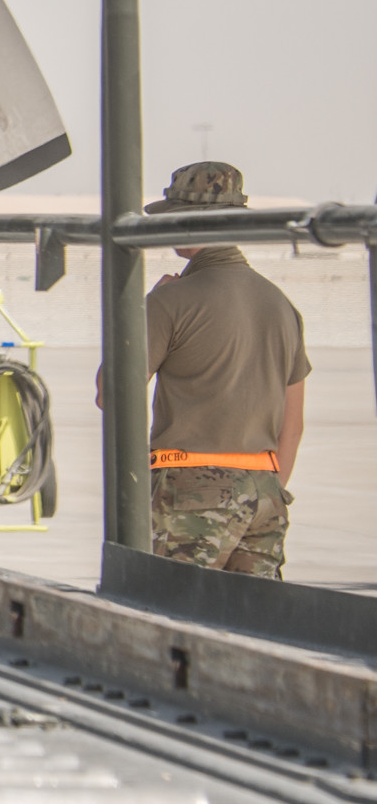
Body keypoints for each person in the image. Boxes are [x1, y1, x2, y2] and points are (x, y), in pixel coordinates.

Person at [97, 162, 308, 578]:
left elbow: (111, 394)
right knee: (252, 614)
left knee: (171, 607)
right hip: (265, 490)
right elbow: (293, 424)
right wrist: (267, 491)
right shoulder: (281, 305)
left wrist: (142, 309)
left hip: (191, 489)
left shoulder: (170, 300)